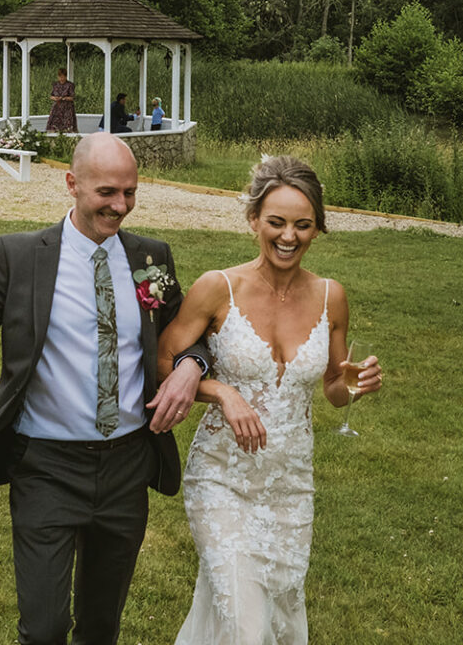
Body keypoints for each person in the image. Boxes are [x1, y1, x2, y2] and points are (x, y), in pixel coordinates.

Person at [0, 132, 208, 645]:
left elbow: (190, 337)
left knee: (100, 626)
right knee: (44, 629)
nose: (121, 206)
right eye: (107, 193)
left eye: (130, 193)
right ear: (72, 184)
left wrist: (192, 366)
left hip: (126, 467)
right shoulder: (19, 256)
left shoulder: (151, 258)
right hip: (46, 466)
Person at [160, 156, 384, 645]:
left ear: (317, 229)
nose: (289, 236)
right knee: (246, 625)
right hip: (221, 477)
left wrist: (354, 383)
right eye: (277, 222)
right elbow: (164, 364)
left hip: (290, 486)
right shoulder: (218, 288)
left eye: (303, 225)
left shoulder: (332, 297)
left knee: (274, 620)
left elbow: (333, 389)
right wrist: (220, 391)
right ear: (254, 221)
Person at [47, 67, 77, 133]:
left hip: (67, 109)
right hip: (57, 108)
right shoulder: (55, 84)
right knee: (54, 125)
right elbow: (51, 96)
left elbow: (73, 97)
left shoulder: (70, 85)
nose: (62, 79)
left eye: (63, 77)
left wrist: (64, 98)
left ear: (66, 76)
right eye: (60, 77)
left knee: (67, 127)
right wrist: (55, 98)